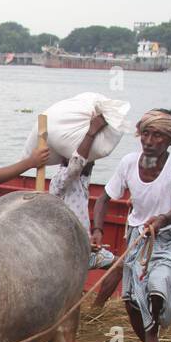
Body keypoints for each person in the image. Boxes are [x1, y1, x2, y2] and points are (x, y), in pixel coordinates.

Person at [92, 108, 171, 342]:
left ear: (169, 140)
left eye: (157, 135)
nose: (148, 141)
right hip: (138, 234)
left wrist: (162, 219)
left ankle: (153, 339)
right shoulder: (128, 162)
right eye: (145, 133)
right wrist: (98, 229)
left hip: (169, 234)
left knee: (156, 287)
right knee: (130, 297)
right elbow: (103, 199)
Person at [53, 110, 115, 270]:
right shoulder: (61, 178)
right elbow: (75, 166)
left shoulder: (82, 181)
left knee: (119, 266)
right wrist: (91, 133)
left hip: (81, 245)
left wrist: (93, 235)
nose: (89, 162)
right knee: (119, 265)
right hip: (65, 249)